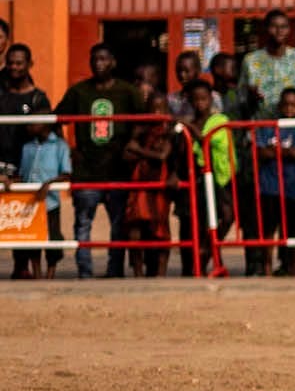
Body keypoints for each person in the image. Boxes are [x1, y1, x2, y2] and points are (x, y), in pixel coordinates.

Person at [233, 10, 295, 276]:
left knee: (293, 205)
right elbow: (240, 99)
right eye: (274, 27)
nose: (279, 31)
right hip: (261, 136)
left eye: (284, 27)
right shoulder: (251, 61)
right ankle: (257, 263)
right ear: (265, 29)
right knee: (259, 207)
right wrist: (250, 99)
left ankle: (291, 262)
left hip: (291, 137)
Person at [56, 44, 144, 278]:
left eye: (104, 59)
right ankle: (85, 273)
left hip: (118, 170)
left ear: (113, 62)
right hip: (87, 171)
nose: (98, 64)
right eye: (94, 59)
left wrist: (132, 144)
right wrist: (68, 150)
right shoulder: (79, 92)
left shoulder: (127, 91)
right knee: (83, 226)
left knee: (118, 226)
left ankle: (114, 272)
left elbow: (144, 120)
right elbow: (56, 118)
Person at [253, 88, 295, 277]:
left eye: (294, 105)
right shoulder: (268, 125)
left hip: (293, 188)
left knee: (292, 230)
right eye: (286, 104)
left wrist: (275, 151)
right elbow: (261, 152)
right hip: (269, 187)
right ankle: (267, 266)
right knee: (269, 230)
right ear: (279, 106)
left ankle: (292, 266)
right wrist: (285, 152)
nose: (289, 109)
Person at [182, 78, 232, 277]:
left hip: (220, 178)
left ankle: (208, 249)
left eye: (204, 99)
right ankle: (200, 266)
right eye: (196, 99)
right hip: (200, 180)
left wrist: (191, 130)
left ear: (211, 99)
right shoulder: (189, 123)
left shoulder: (219, 120)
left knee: (227, 216)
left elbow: (208, 140)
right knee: (202, 222)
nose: (200, 103)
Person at [9, 117, 68, 279]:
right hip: (30, 201)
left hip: (50, 202)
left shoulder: (60, 146)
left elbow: (66, 173)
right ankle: (36, 274)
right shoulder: (27, 147)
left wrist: (48, 184)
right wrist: (11, 182)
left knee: (53, 237)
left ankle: (50, 274)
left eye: (33, 123)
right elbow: (22, 174)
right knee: (32, 238)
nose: (29, 126)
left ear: (44, 126)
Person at [121, 114, 176, 277]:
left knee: (160, 231)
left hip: (159, 186)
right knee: (134, 230)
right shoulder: (140, 131)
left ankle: (161, 273)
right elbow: (126, 154)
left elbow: (162, 156)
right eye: (154, 108)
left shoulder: (169, 133)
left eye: (161, 108)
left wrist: (139, 151)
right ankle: (138, 272)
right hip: (139, 187)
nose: (157, 113)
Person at [0, 43, 53, 176]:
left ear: (30, 64)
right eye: (10, 63)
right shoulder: (1, 95)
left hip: (27, 169)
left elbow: (49, 135)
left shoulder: (38, 99)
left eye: (19, 63)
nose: (14, 67)